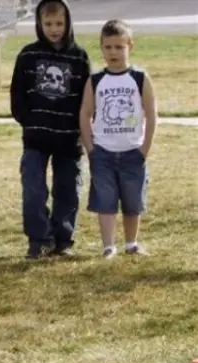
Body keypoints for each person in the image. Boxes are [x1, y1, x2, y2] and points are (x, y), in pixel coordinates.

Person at [10, 0, 91, 259]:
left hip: (69, 138)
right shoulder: (28, 56)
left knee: (67, 191)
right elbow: (17, 95)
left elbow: (86, 98)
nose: (54, 29)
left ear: (68, 23)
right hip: (36, 138)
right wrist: (28, 120)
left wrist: (80, 127)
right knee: (33, 190)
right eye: (48, 24)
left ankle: (62, 240)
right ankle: (39, 240)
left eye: (59, 23)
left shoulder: (79, 57)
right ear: (39, 24)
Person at [80, 20, 157, 258]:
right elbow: (85, 113)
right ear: (101, 48)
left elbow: (151, 114)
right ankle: (108, 246)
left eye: (119, 47)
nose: (113, 52)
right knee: (106, 200)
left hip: (133, 151)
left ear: (129, 46)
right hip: (103, 152)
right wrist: (91, 148)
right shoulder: (95, 80)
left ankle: (131, 243)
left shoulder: (140, 78)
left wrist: (144, 148)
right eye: (108, 47)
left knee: (133, 201)